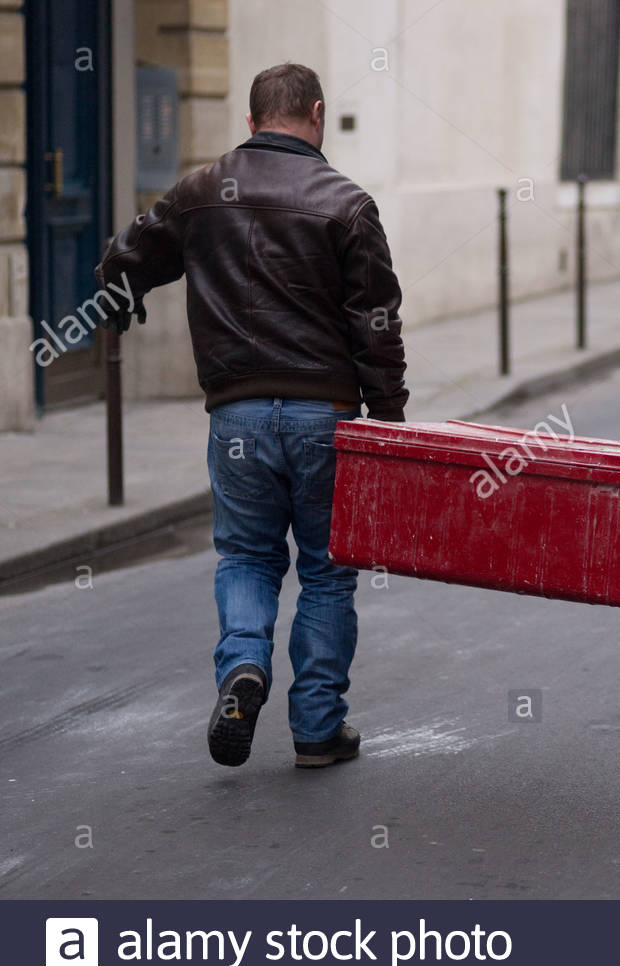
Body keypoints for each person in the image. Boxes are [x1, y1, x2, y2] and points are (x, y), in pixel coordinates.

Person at [95, 63, 407, 770]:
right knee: (326, 570)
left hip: (235, 415)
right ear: (317, 114)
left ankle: (244, 667)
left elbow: (125, 253)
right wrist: (388, 416)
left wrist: (122, 296)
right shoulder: (347, 202)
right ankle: (319, 729)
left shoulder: (202, 192)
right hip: (325, 412)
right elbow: (377, 321)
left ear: (251, 120)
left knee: (246, 555)